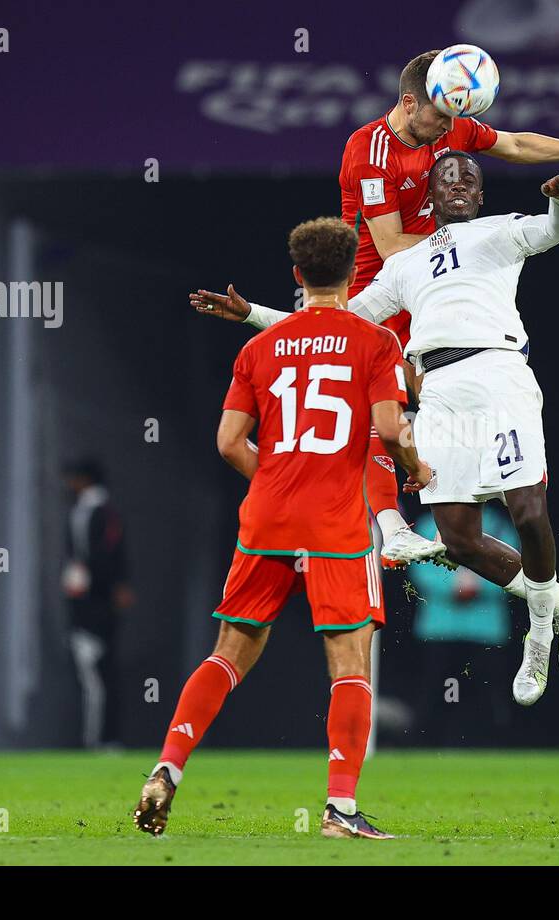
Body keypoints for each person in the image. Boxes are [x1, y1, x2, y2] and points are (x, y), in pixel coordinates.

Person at [194, 49, 559, 570]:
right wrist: (471, 239)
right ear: (410, 102)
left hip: (433, 287)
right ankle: (392, 528)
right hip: (382, 288)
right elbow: (391, 245)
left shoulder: (449, 123)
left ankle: (532, 573)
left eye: (455, 118)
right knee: (382, 410)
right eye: (438, 117)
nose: (447, 130)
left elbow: (517, 143)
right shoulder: (369, 149)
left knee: (437, 405)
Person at [206, 152, 559, 707]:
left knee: (528, 511)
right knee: (457, 539)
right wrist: (253, 315)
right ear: (429, 198)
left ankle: (537, 638)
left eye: (469, 179)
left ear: (480, 195)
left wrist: (558, 199)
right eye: (446, 179)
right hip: (438, 392)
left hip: (500, 374)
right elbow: (338, 321)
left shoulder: (500, 232)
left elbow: (558, 230)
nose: (458, 185)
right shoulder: (404, 267)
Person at [134, 217, 434, 841]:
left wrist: (273, 479)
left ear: (297, 277)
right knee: (349, 660)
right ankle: (340, 810)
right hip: (336, 523)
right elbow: (387, 427)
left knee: (229, 652)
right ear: (353, 274)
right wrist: (417, 468)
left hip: (267, 516)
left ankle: (167, 768)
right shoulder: (374, 341)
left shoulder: (258, 347)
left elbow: (227, 443)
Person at [406, 504, 518, 746]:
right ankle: (427, 752)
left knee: (487, 699)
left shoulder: (497, 526)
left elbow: (514, 571)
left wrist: (477, 585)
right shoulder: (428, 524)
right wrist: (454, 586)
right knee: (434, 697)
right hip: (440, 630)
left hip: (486, 632)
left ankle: (490, 749)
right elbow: (418, 569)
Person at [61, 458, 133, 749]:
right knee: (92, 673)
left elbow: (108, 555)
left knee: (97, 673)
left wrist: (102, 583)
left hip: (95, 606)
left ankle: (103, 739)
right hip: (88, 602)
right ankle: (98, 737)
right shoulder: (85, 511)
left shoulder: (101, 512)